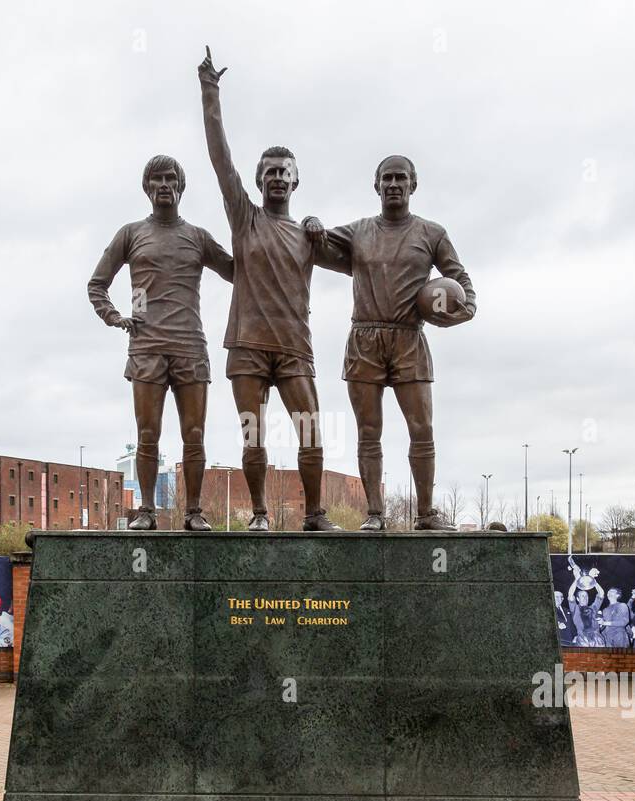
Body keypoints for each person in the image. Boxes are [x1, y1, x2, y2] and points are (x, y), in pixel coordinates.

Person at [198, 46, 350, 531]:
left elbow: (355, 263)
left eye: (286, 171)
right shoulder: (245, 219)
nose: (278, 177)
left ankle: (315, 514)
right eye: (270, 171)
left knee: (311, 431)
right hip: (246, 347)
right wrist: (210, 92)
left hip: (294, 348)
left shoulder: (309, 236)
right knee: (253, 435)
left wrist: (323, 232)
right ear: (260, 179)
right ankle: (260, 515)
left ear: (296, 180)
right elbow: (221, 160)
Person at [306, 155, 475, 530]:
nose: (394, 184)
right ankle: (374, 514)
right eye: (387, 178)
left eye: (401, 178)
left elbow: (462, 284)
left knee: (422, 429)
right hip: (364, 338)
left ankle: (426, 514)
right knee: (369, 432)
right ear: (376, 185)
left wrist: (457, 314)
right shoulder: (359, 231)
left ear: (413, 185)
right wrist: (310, 222)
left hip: (409, 339)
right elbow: (316, 244)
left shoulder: (432, 233)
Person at [88, 154, 235, 531]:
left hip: (190, 346)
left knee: (195, 435)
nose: (165, 185)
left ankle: (194, 511)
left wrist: (262, 245)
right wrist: (114, 316)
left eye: (171, 179)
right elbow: (97, 283)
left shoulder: (198, 237)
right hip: (147, 348)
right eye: (157, 180)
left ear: (181, 187)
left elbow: (239, 272)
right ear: (147, 187)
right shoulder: (131, 233)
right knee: (147, 434)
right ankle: (148, 511)